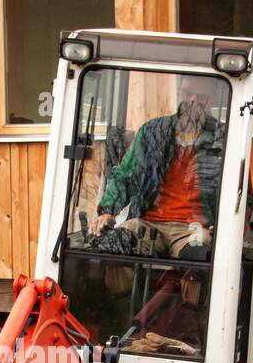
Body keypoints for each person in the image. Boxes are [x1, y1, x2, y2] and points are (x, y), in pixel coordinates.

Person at [89, 73, 226, 259]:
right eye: (187, 93)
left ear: (213, 99)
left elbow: (240, 195)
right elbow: (125, 175)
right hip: (148, 223)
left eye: (201, 97)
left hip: (194, 228)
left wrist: (224, 226)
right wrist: (108, 212)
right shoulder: (153, 132)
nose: (192, 101)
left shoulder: (223, 139)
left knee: (199, 252)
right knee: (112, 243)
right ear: (178, 93)